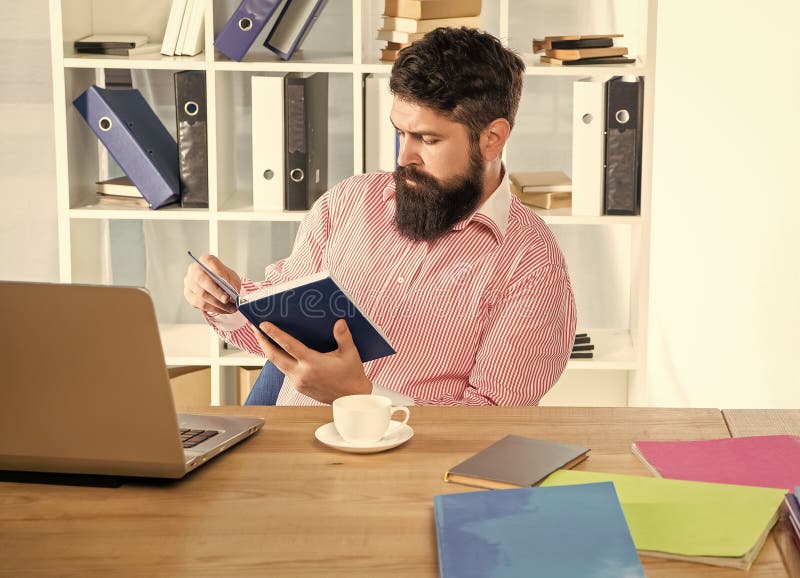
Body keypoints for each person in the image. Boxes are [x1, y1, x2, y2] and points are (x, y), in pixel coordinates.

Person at [184, 27, 576, 406]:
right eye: (400, 133)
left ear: (492, 139)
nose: (405, 158)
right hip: (292, 451)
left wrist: (365, 398)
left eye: (428, 139)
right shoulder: (348, 204)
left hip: (407, 469)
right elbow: (279, 339)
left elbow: (491, 424)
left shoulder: (532, 265)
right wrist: (228, 304)